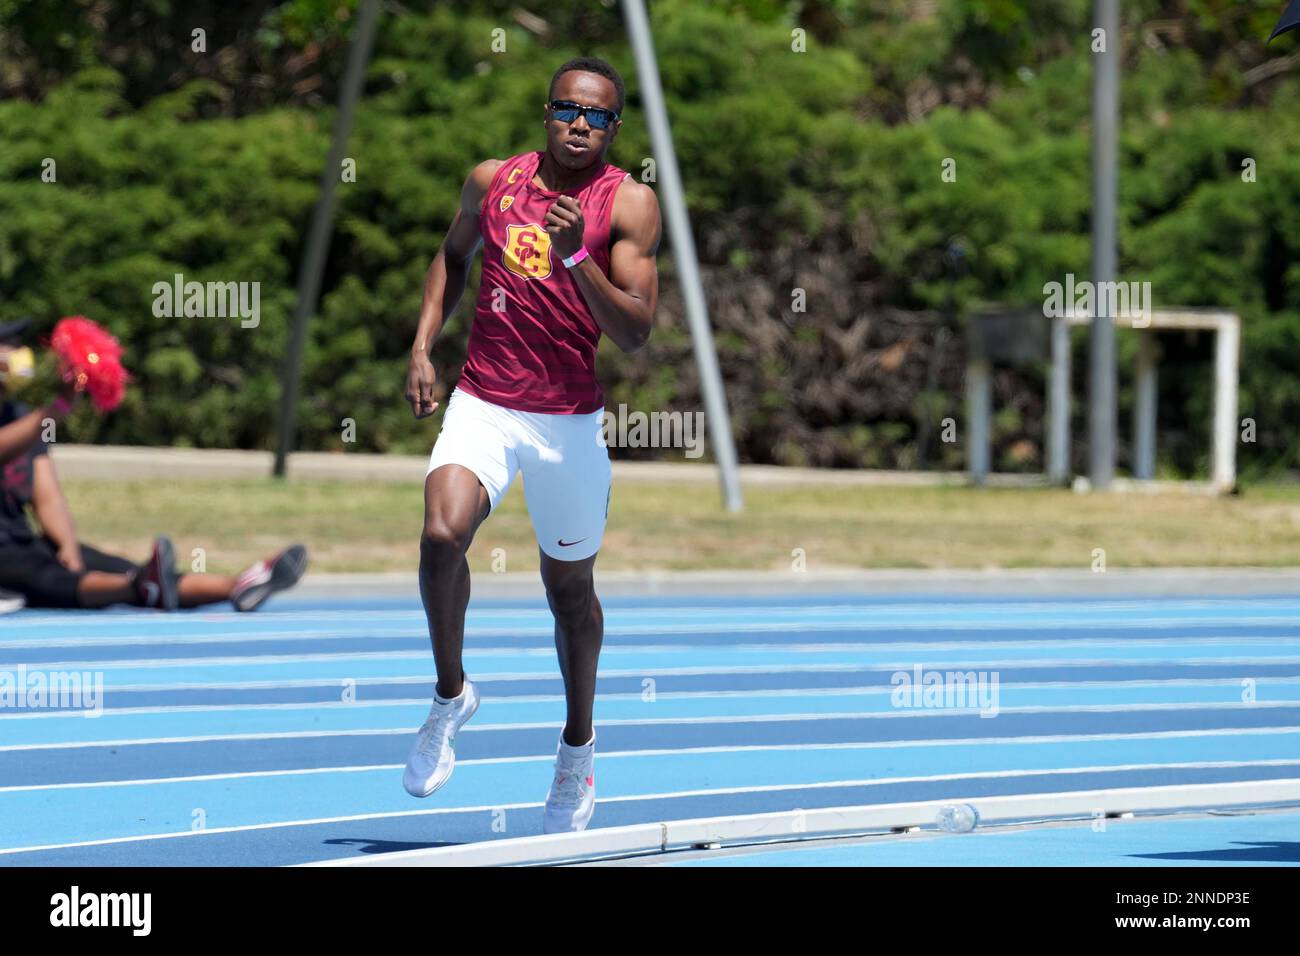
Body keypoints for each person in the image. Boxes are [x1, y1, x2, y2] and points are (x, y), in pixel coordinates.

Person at [402, 57, 661, 832]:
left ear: (615, 128)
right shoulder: (494, 180)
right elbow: (453, 257)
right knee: (442, 532)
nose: (580, 125)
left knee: (569, 594)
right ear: (547, 111)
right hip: (485, 401)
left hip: (567, 422)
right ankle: (451, 695)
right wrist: (422, 345)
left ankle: (577, 751)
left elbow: (636, 331)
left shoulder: (630, 203)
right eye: (567, 110)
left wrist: (578, 254)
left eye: (598, 117)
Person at [0, 318, 308, 611]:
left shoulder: (21, 415)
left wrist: (67, 545)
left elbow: (49, 498)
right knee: (53, 580)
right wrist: (58, 408)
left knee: (124, 568)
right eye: (8, 344)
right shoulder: (34, 421)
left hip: (25, 543)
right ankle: (139, 586)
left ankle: (238, 584)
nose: (18, 353)